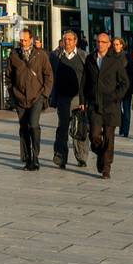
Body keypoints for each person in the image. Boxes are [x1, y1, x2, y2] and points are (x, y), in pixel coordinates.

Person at [81, 31, 129, 180]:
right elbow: (84, 82)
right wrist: (83, 101)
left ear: (109, 44)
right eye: (97, 42)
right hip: (94, 104)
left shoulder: (115, 61)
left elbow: (125, 83)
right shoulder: (90, 59)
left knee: (109, 138)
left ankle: (106, 168)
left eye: (103, 42)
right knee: (94, 136)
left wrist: (115, 96)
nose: (99, 44)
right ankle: (101, 153)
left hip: (111, 106)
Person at [7, 28, 53, 170]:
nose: (23, 43)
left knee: (33, 125)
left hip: (36, 96)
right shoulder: (14, 54)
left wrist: (45, 93)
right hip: (20, 97)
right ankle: (27, 159)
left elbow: (48, 75)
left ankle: (36, 156)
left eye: (26, 40)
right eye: (21, 40)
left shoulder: (40, 55)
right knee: (24, 127)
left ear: (31, 40)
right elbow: (9, 76)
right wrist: (12, 92)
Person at [50, 30, 87, 167]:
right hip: (62, 98)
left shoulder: (83, 56)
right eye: (65, 40)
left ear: (75, 41)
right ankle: (60, 156)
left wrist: (85, 99)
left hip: (78, 98)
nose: (67, 42)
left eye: (70, 40)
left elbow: (88, 78)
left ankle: (81, 156)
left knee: (79, 128)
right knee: (63, 127)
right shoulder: (56, 56)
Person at [113, 36, 133, 138]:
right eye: (114, 44)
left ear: (122, 45)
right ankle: (122, 126)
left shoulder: (127, 57)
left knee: (126, 109)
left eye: (117, 44)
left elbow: (132, 73)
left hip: (126, 87)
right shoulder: (111, 56)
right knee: (117, 109)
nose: (115, 46)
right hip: (115, 87)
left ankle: (125, 130)